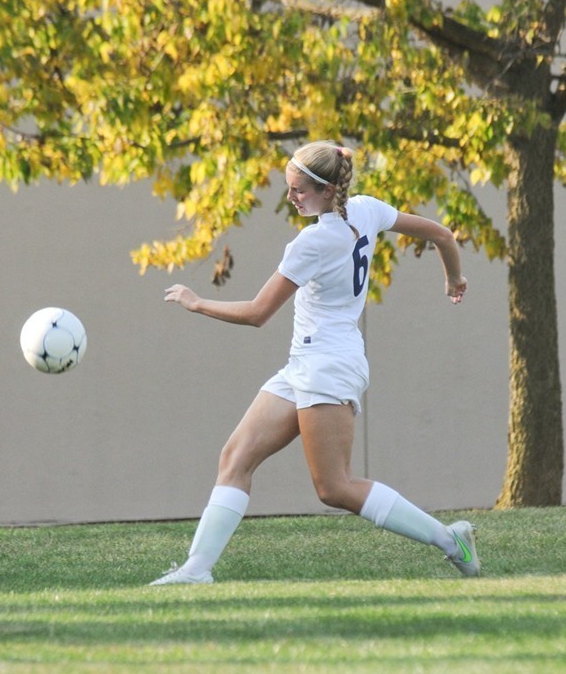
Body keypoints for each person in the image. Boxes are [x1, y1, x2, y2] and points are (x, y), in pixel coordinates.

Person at [152, 140, 479, 584]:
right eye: (288, 188)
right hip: (309, 360)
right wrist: (454, 277)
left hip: (328, 364)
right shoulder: (365, 208)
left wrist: (197, 303)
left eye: (299, 190)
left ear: (327, 191)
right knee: (236, 456)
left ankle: (450, 540)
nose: (291, 198)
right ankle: (196, 570)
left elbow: (256, 314)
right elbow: (441, 234)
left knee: (335, 488)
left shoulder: (314, 241)